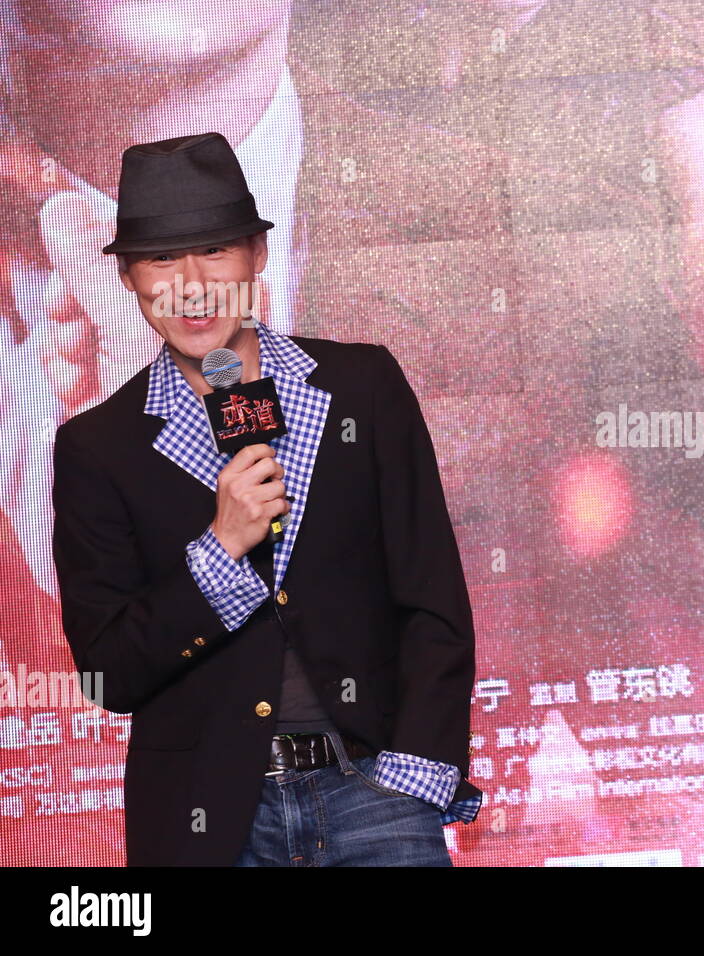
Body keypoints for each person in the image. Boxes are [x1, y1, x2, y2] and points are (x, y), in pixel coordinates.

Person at [50, 132, 480, 866]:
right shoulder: (99, 446)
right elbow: (107, 674)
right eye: (161, 258)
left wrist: (413, 775)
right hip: (208, 821)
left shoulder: (361, 387)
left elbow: (432, 598)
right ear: (129, 278)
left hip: (375, 793)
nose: (191, 284)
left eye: (214, 251)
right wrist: (219, 550)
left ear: (258, 255)